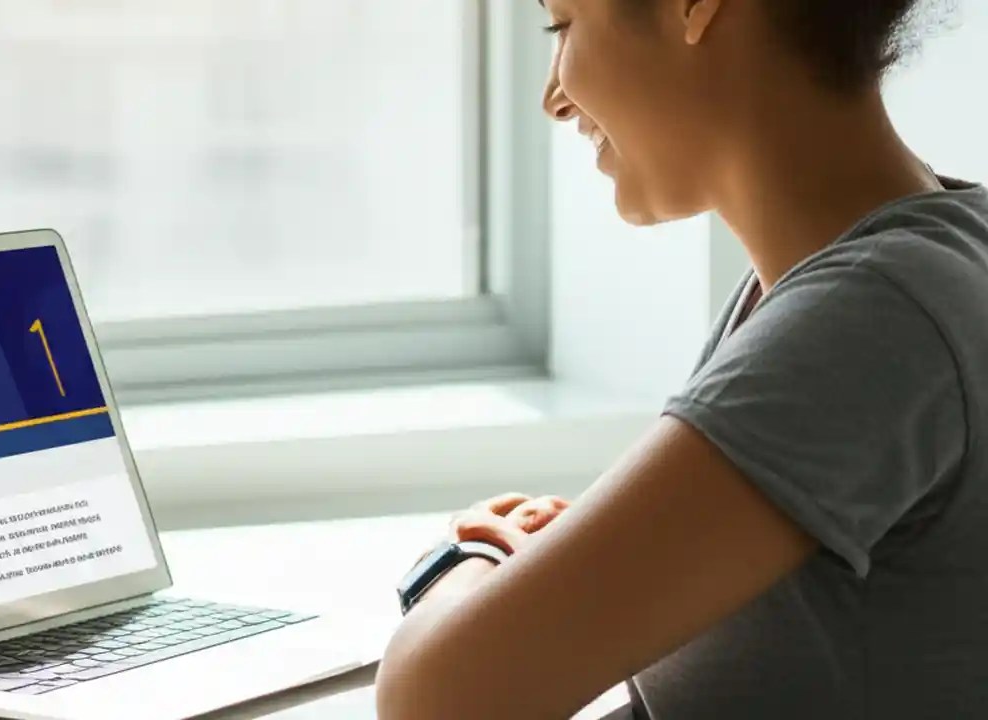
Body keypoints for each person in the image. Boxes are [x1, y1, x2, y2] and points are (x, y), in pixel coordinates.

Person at [376, 0, 988, 718]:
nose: (553, 97)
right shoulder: (897, 270)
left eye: (564, 24)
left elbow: (438, 701)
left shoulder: (868, 316)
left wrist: (467, 557)